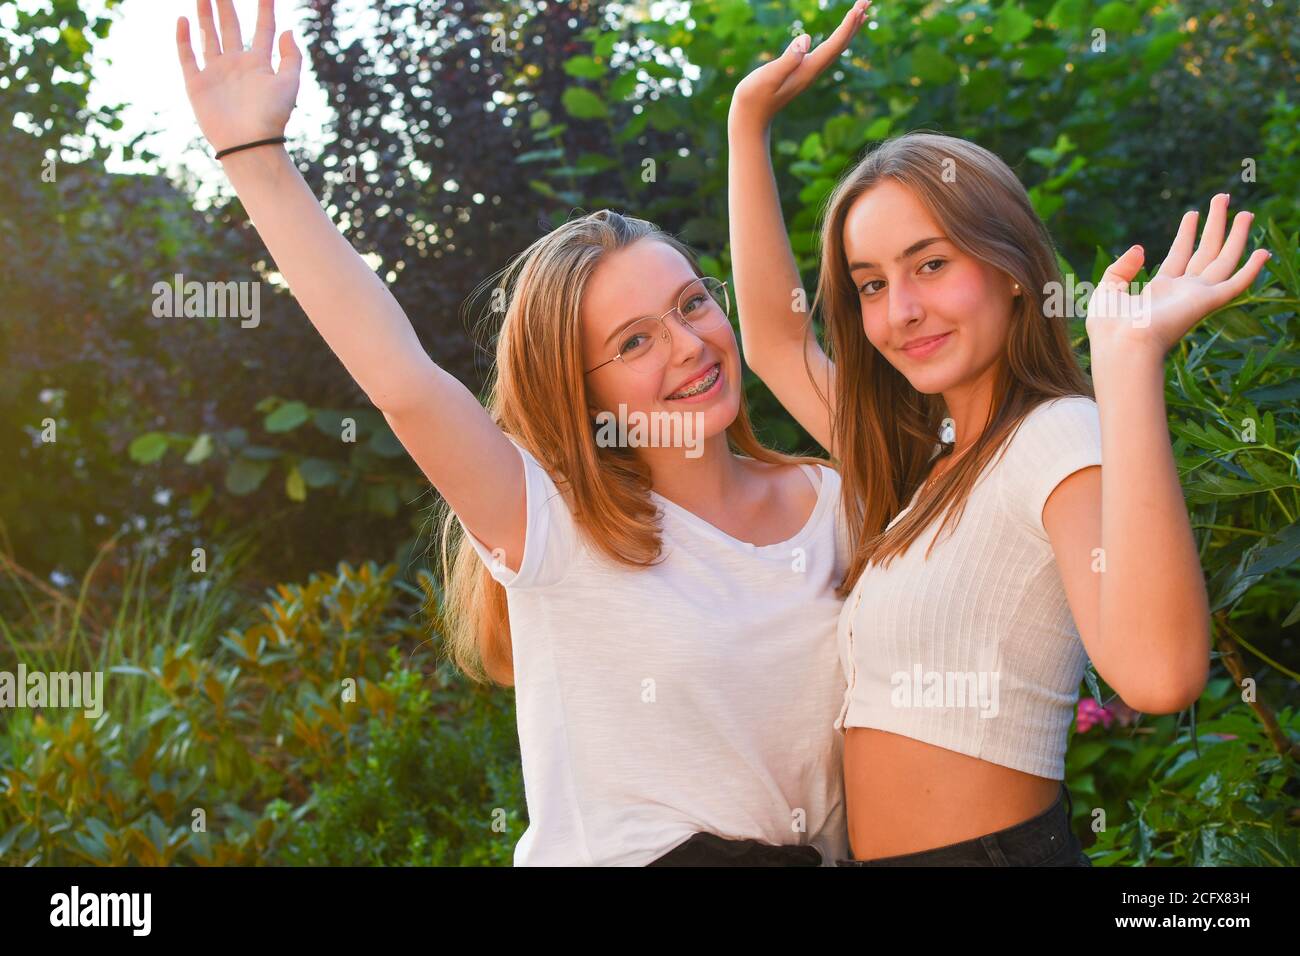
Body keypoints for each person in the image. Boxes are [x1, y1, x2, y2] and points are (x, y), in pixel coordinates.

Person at [176, 0, 852, 866]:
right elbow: (404, 383)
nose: (689, 345)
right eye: (635, 340)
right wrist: (256, 157)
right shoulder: (557, 524)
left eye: (693, 303)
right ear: (581, 389)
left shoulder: (830, 500)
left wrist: (747, 124)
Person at [727, 0, 1271, 866]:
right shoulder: (922, 466)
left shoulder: (1056, 440)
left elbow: (1161, 676)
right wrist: (747, 121)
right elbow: (775, 341)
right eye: (870, 284)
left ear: (1011, 266)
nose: (900, 311)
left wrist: (1126, 363)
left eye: (930, 264)